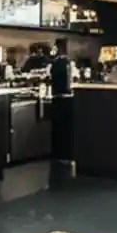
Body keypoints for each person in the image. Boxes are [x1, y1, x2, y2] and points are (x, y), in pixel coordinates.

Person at [49, 39, 75, 167]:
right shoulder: (68, 63)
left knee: (58, 128)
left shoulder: (56, 63)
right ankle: (66, 154)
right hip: (67, 98)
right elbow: (70, 82)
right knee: (66, 128)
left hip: (58, 97)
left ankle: (58, 154)